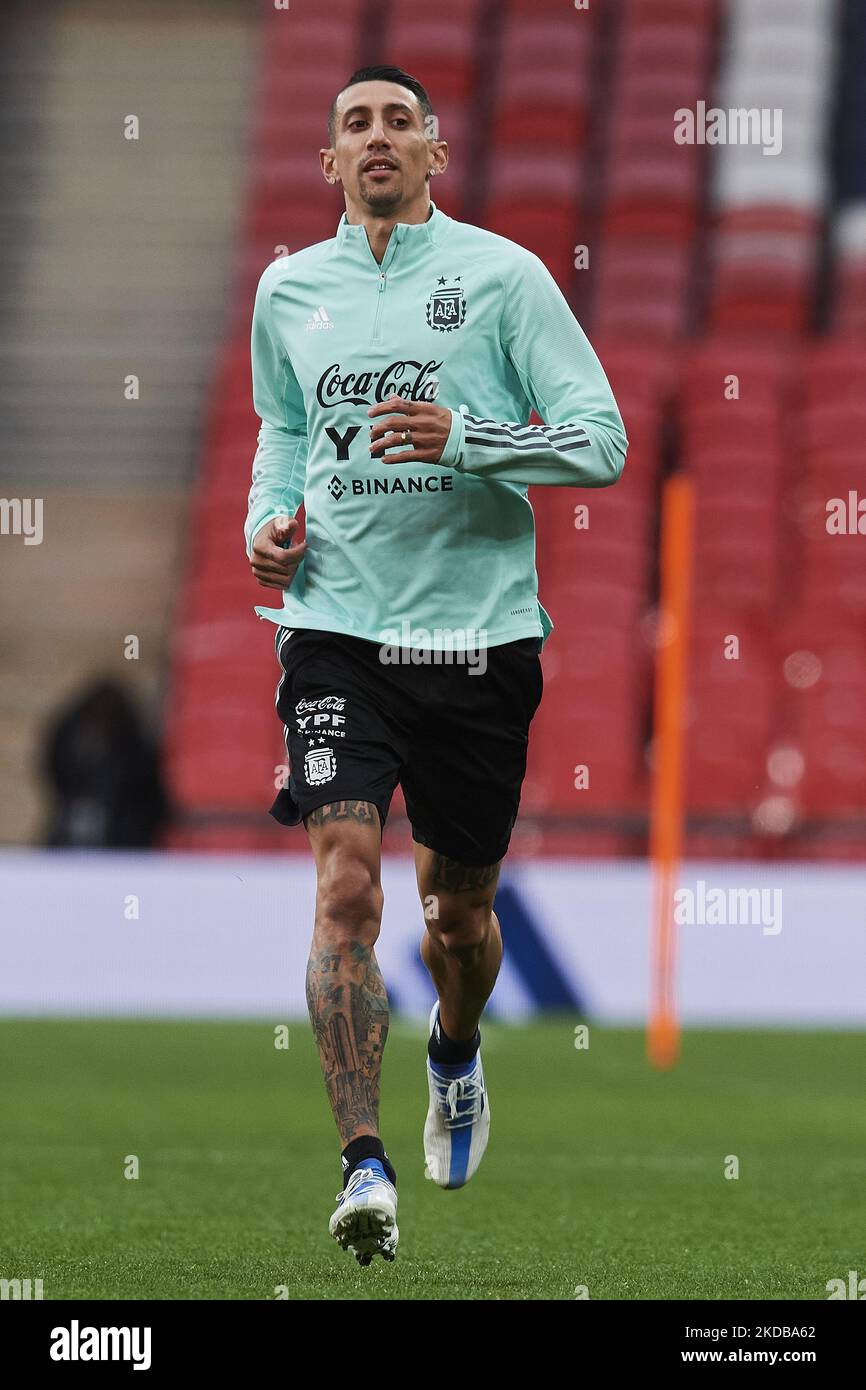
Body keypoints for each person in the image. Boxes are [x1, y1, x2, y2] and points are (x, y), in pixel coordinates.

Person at [245, 65, 627, 1265]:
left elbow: (599, 439)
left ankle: (453, 1057)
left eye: (395, 121)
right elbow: (285, 431)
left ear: (433, 152)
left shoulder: (503, 279)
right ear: (326, 162)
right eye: (352, 123)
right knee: (347, 888)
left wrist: (469, 440)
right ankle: (364, 1166)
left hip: (473, 641)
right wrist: (264, 522)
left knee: (454, 917)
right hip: (335, 633)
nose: (374, 138)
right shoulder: (287, 290)